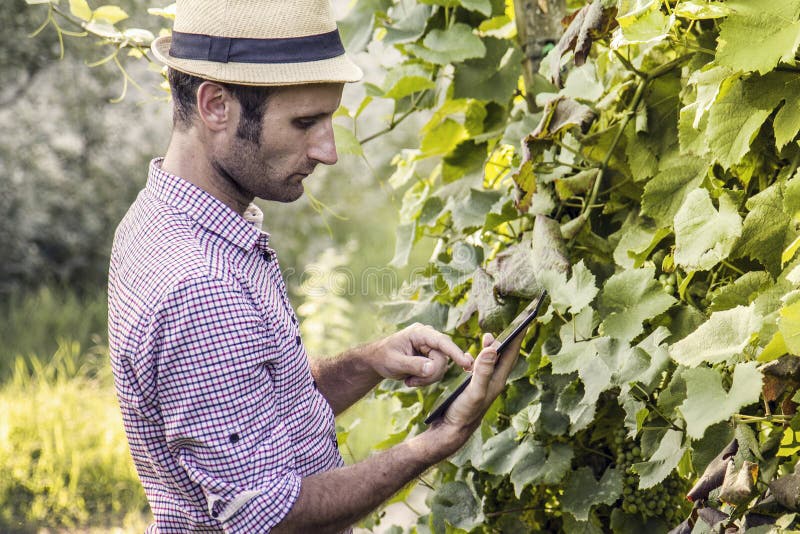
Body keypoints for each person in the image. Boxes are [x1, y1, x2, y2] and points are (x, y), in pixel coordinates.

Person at [107, 0, 524, 532]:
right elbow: (268, 516)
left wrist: (369, 361)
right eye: (305, 121)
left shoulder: (159, 219)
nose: (328, 151)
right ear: (215, 105)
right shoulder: (200, 287)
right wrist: (435, 443)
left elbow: (252, 405)